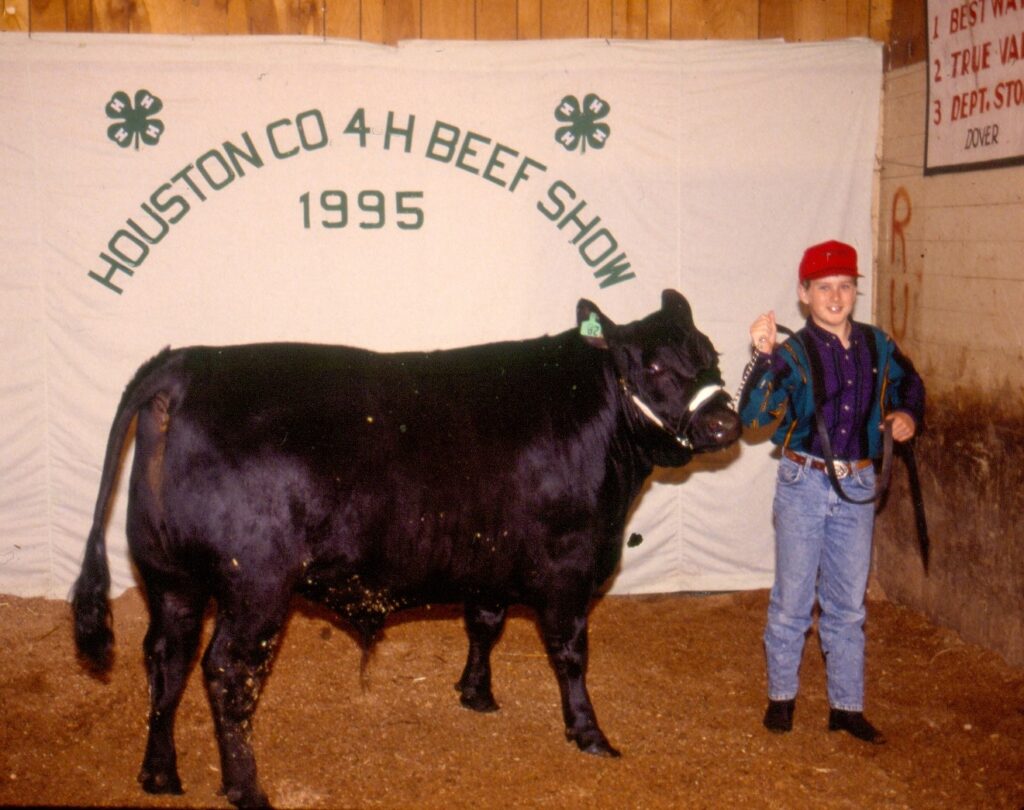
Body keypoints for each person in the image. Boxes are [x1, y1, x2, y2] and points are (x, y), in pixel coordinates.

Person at [738, 239, 924, 744]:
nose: (835, 297)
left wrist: (906, 414)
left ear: (855, 291)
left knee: (847, 604)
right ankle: (782, 699)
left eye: (844, 286)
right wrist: (762, 358)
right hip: (803, 481)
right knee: (793, 600)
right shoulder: (791, 354)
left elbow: (911, 383)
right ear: (804, 294)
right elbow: (753, 419)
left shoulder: (877, 345)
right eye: (824, 288)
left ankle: (846, 707)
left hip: (858, 481)